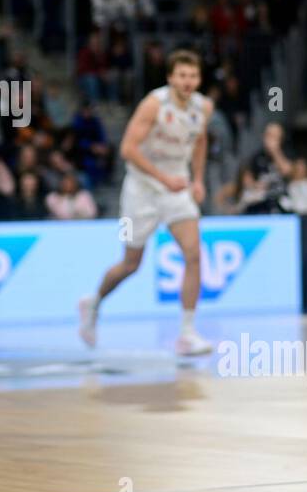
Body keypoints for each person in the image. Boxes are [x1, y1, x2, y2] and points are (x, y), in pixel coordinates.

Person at [77, 50, 213, 356]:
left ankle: (187, 333)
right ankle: (93, 302)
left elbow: (201, 141)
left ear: (199, 79)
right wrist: (163, 179)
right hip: (141, 190)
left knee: (193, 254)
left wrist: (199, 178)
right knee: (130, 264)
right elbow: (127, 149)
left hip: (178, 187)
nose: (187, 81)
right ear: (170, 78)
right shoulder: (153, 104)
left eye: (192, 76)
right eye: (181, 75)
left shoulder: (203, 107)